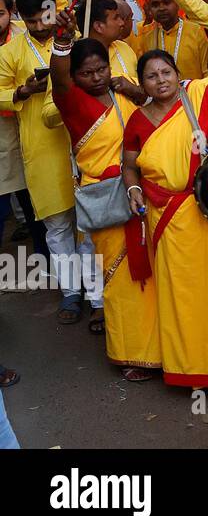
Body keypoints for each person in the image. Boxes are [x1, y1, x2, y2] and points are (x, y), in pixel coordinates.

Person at [121, 50, 208, 387]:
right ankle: (190, 366)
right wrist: (133, 191)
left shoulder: (198, 96)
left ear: (178, 74)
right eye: (151, 76)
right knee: (179, 293)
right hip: (162, 213)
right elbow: (129, 165)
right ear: (141, 83)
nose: (160, 80)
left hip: (200, 208)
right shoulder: (138, 120)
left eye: (166, 73)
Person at [48, 28, 159, 381]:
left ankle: (160, 347)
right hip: (108, 200)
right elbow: (58, 76)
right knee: (121, 281)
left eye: (102, 69)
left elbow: (156, 108)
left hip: (144, 193)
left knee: (152, 278)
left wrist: (134, 90)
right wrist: (61, 41)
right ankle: (130, 353)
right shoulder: (73, 101)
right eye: (86, 73)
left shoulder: (122, 91)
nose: (96, 78)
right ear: (74, 76)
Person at [0, 0, 86, 325]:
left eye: (45, 19)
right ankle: (70, 293)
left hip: (83, 141)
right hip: (41, 147)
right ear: (22, 18)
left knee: (89, 224)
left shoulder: (72, 41)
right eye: (32, 21)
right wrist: (22, 91)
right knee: (57, 225)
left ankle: (97, 292)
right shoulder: (9, 53)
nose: (40, 27)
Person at [0, 0, 45, 260]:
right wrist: (19, 93)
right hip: (3, 137)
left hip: (33, 130)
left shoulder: (27, 34)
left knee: (36, 206)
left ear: (11, 12)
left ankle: (48, 261)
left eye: (0, 13)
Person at [129, 0, 208, 81]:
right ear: (150, 9)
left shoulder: (196, 31)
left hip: (195, 94)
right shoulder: (148, 38)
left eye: (167, 2)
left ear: (177, 3)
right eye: (155, 5)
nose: (161, 8)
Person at [82, 0, 138, 83]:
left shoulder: (124, 47)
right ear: (98, 26)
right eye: (116, 18)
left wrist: (134, 90)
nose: (122, 23)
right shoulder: (77, 57)